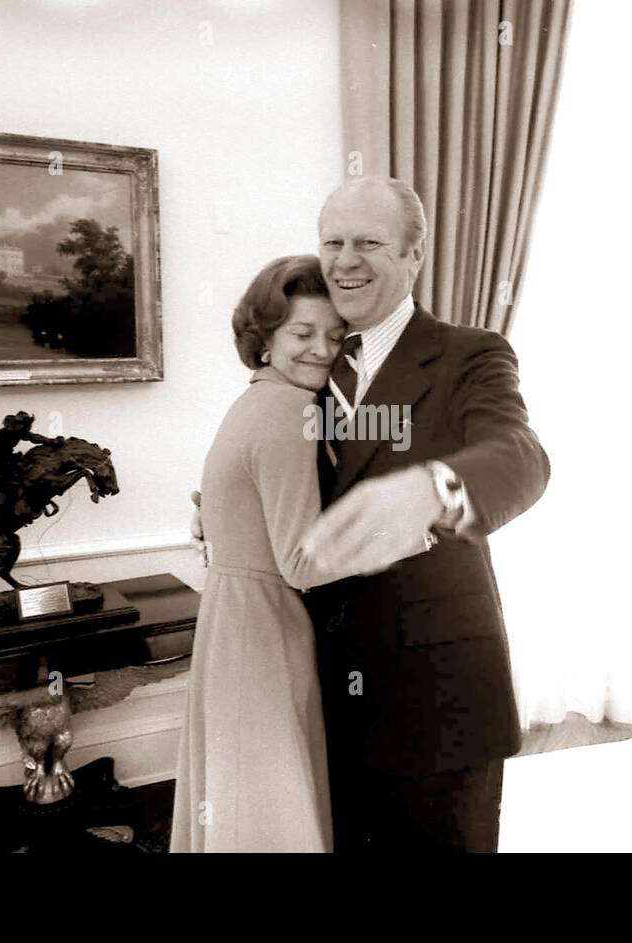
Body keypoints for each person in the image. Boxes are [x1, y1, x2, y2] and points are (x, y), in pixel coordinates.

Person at [191, 177, 549, 852]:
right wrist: (223, 505)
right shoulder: (309, 370)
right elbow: (282, 477)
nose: (345, 259)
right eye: (333, 241)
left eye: (369, 242)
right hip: (322, 697)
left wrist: (434, 488)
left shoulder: (470, 355)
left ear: (414, 256)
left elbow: (521, 456)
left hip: (439, 704)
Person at [169, 255, 431, 853]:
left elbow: (233, 504)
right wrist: (411, 531)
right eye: (301, 333)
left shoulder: (253, 400)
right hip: (264, 627)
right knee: (270, 804)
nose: (320, 350)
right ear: (263, 340)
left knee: (242, 800)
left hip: (231, 617)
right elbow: (301, 562)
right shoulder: (291, 410)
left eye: (335, 337)